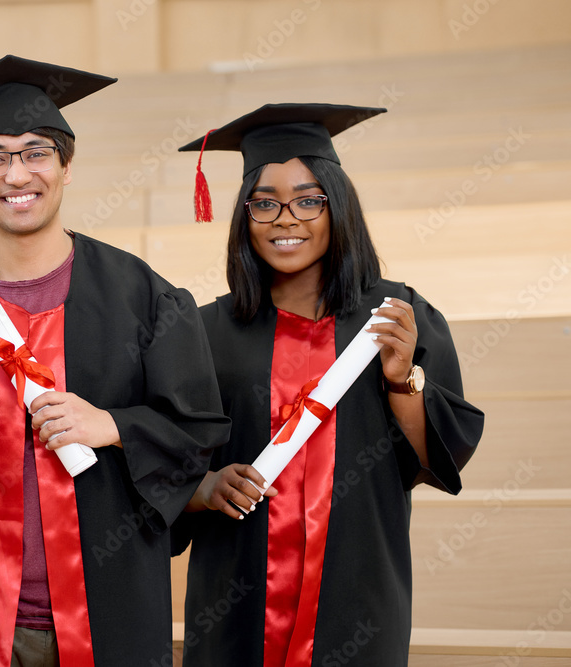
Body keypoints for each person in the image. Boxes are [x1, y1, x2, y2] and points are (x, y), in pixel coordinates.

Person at [0, 55, 231, 666]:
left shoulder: (147, 299)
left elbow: (200, 434)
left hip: (114, 619)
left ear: (66, 167)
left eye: (36, 152)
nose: (16, 173)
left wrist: (114, 426)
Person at [172, 103, 485, 666]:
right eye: (264, 202)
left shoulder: (394, 316)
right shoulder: (206, 330)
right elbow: (170, 459)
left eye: (308, 200)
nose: (285, 218)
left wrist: (400, 379)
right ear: (245, 216)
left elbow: (439, 456)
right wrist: (204, 486)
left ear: (337, 207)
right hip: (237, 593)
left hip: (355, 593)